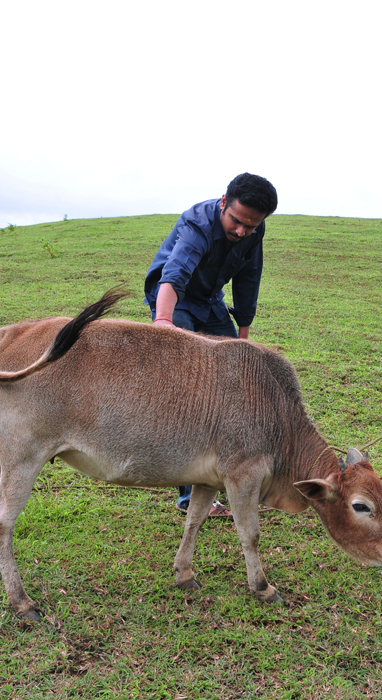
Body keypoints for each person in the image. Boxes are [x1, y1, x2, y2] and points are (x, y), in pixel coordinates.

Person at [144, 172, 278, 517]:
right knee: (187, 389)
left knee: (237, 377)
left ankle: (233, 470)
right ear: (223, 202)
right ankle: (188, 496)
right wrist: (163, 324)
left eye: (251, 226)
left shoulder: (254, 230)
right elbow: (174, 275)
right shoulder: (197, 223)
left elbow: (249, 279)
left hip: (210, 300)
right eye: (236, 221)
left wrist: (242, 340)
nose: (242, 231)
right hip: (175, 300)